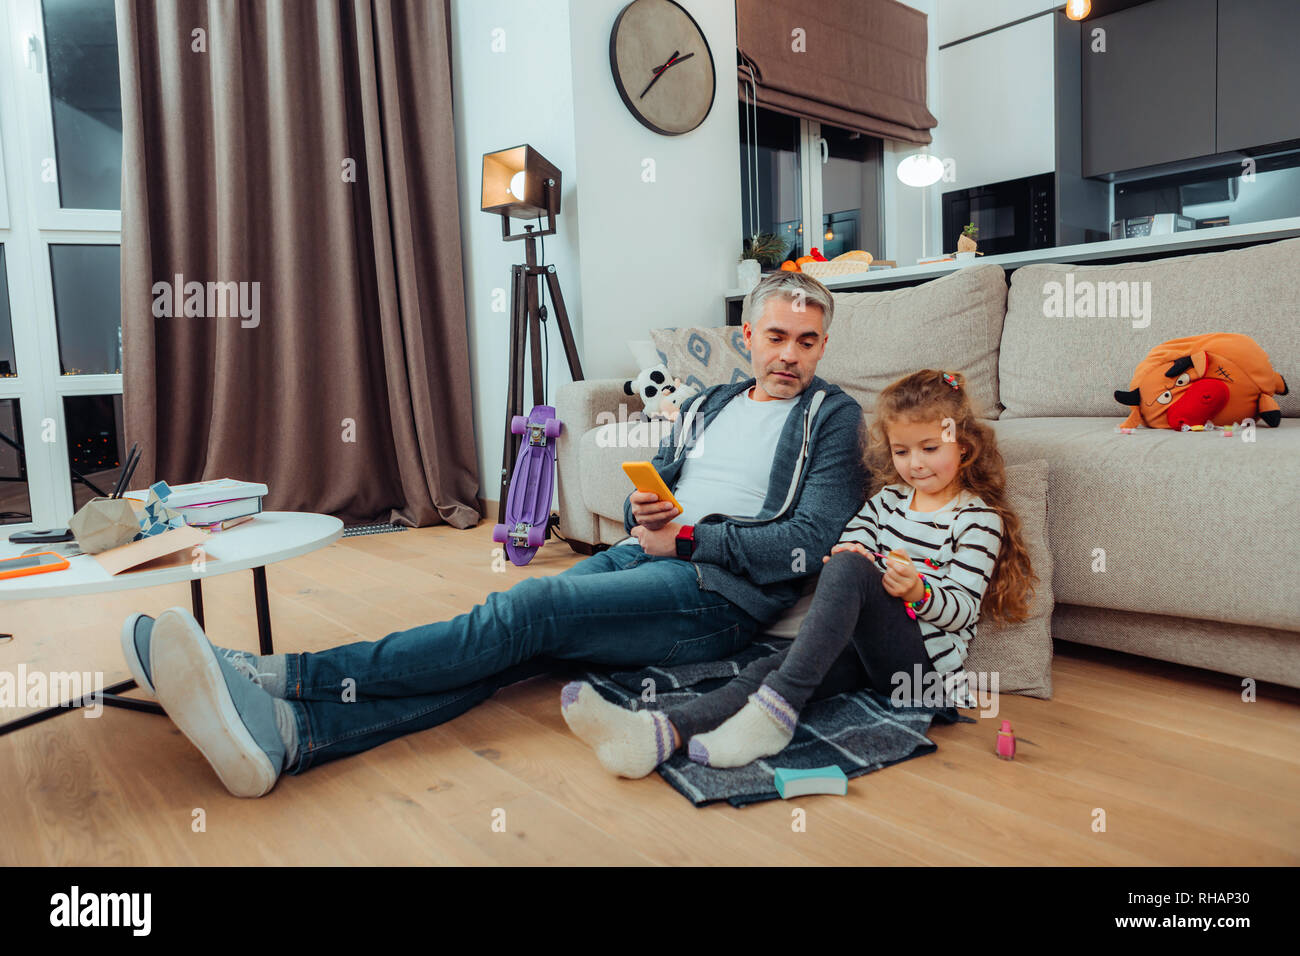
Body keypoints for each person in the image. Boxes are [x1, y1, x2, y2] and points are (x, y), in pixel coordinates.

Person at [116, 271, 867, 797]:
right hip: (653, 555)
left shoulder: (833, 418)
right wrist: (654, 514)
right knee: (513, 644)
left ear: (824, 346)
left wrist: (692, 543)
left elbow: (805, 541)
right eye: (778, 336)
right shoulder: (714, 401)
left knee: (520, 612)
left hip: (720, 595)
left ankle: (272, 675)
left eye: (807, 341)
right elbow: (672, 481)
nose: (790, 355)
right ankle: (291, 734)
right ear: (749, 334)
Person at [561, 369, 1037, 777]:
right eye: (901, 451)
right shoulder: (887, 502)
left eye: (930, 448)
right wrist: (850, 565)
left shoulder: (977, 520)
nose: (915, 464)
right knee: (770, 668)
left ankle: (774, 716)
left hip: (920, 673)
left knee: (848, 566)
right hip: (864, 652)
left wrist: (917, 590)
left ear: (965, 446)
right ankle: (658, 733)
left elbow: (960, 611)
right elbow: (852, 544)